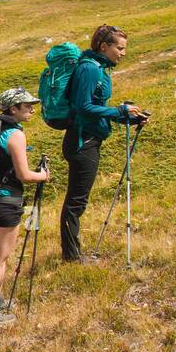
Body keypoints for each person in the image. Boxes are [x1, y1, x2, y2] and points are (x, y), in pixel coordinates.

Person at [59, 25, 149, 262]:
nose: (123, 53)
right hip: (82, 142)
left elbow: (95, 109)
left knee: (78, 199)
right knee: (76, 201)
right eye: (119, 48)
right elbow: (83, 107)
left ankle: (72, 253)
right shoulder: (89, 69)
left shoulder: (98, 68)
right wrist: (119, 110)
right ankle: (71, 256)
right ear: (103, 46)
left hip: (87, 139)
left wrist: (128, 117)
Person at [0, 88, 51, 325]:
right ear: (13, 109)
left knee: (0, 254)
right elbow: (24, 174)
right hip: (6, 201)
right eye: (26, 105)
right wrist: (43, 175)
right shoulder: (15, 134)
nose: (31, 109)